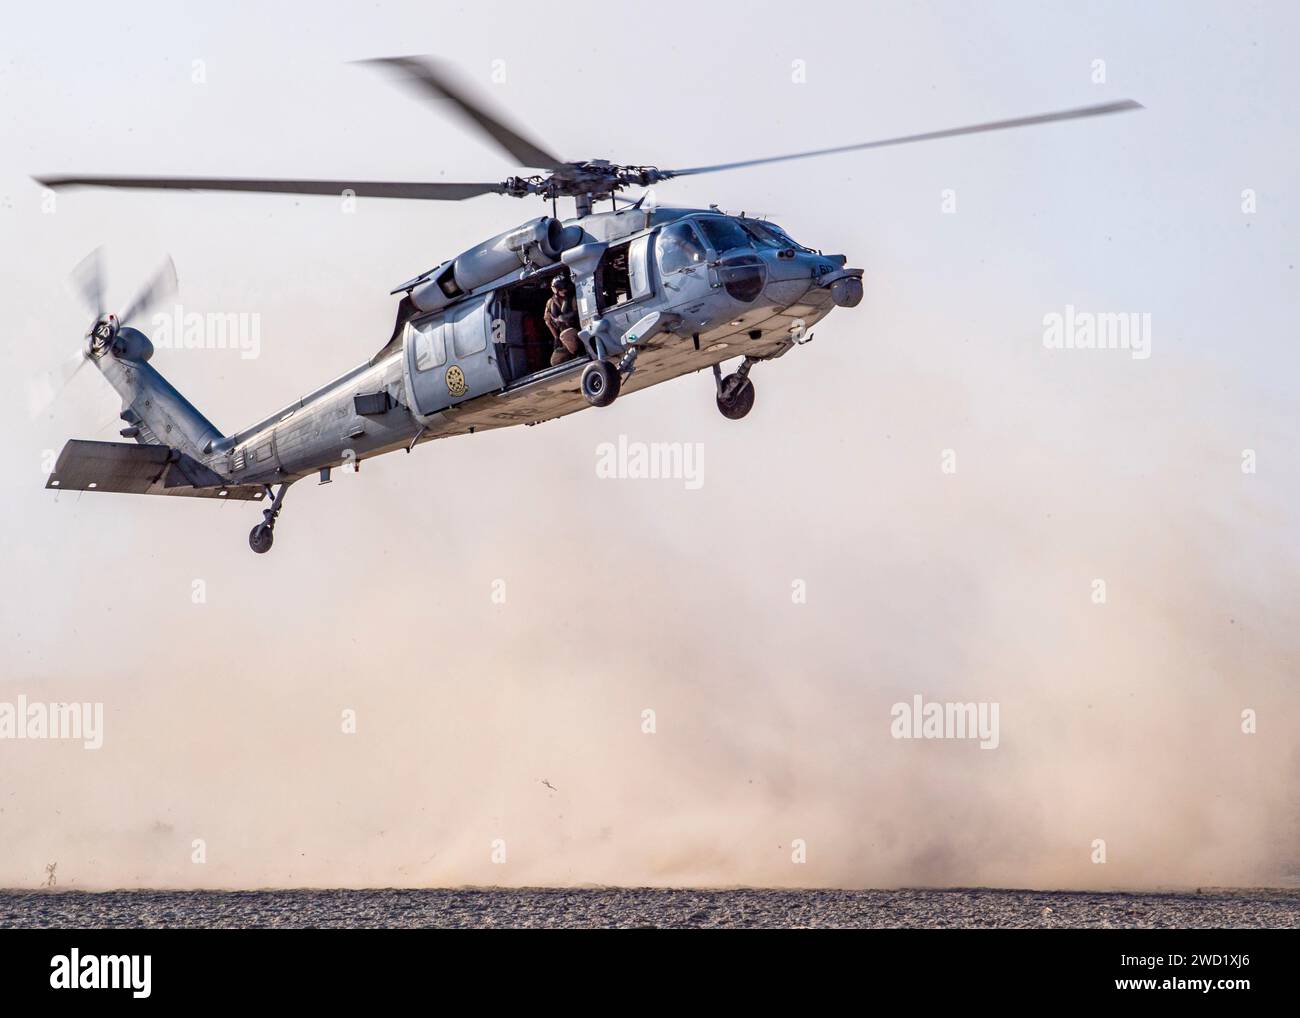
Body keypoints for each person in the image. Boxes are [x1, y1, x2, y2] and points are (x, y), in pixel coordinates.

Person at [544, 274, 583, 366]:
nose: (564, 290)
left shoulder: (573, 298)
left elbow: (578, 313)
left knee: (565, 335)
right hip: (563, 338)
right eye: (561, 288)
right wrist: (556, 337)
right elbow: (548, 321)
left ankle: (581, 354)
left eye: (565, 287)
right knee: (555, 361)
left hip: (576, 332)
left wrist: (567, 317)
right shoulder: (550, 303)